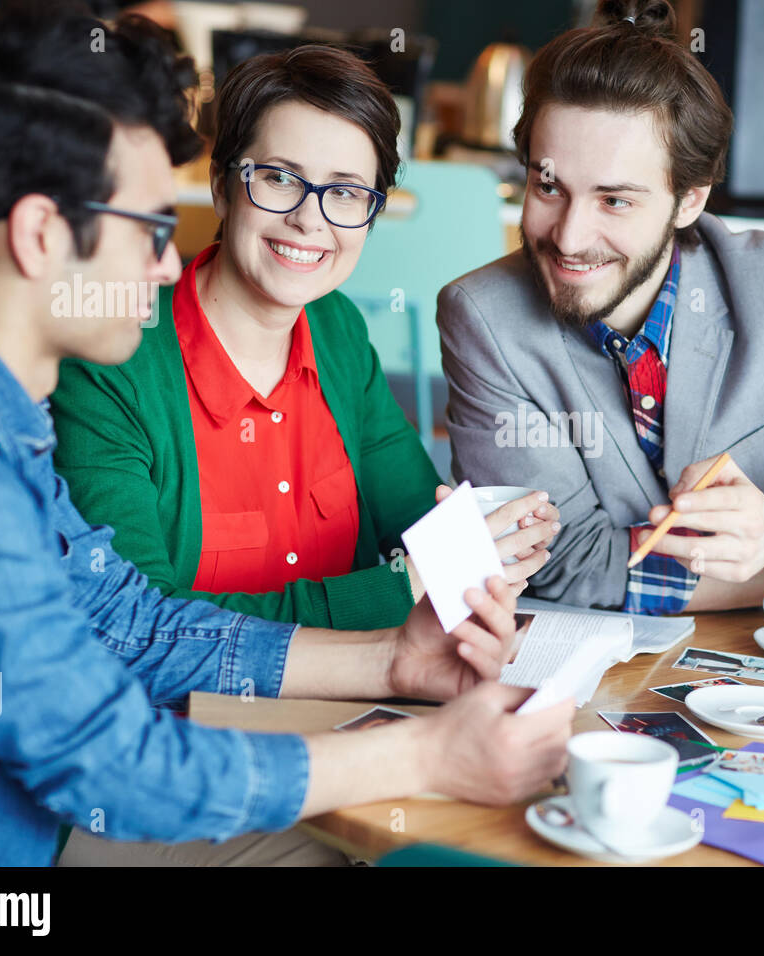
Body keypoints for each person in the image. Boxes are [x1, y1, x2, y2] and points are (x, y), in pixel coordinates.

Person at [0, 9, 572, 868]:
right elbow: (107, 760)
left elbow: (130, 624)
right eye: (147, 228)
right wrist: (421, 753)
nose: (170, 263)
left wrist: (395, 661)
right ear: (40, 235)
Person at [438, 0, 764, 626]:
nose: (570, 236)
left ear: (689, 200)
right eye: (549, 187)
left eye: (615, 200)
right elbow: (561, 562)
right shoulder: (484, 317)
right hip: (604, 678)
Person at [49, 43, 559, 634]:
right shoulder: (112, 360)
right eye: (279, 178)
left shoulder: (337, 329)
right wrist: (412, 581)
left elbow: (422, 523)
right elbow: (135, 626)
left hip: (360, 705)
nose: (309, 220)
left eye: (345, 192)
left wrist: (498, 535)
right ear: (222, 185)